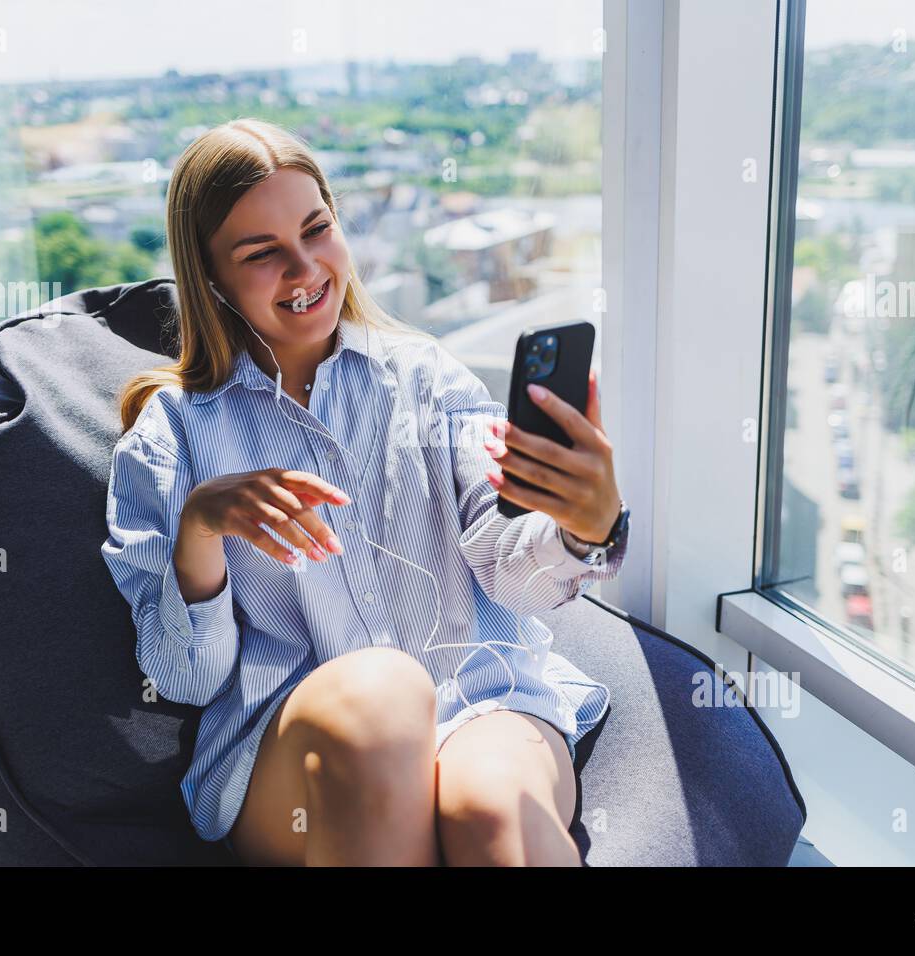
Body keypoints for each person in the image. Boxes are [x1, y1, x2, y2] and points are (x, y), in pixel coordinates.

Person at [101, 118, 630, 866]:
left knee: (490, 813)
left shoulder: (428, 378)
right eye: (261, 254)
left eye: (317, 230)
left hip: (478, 698)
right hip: (290, 751)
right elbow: (186, 678)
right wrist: (200, 532)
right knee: (382, 691)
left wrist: (584, 528)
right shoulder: (170, 440)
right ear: (211, 277)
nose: (305, 267)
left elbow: (511, 573)